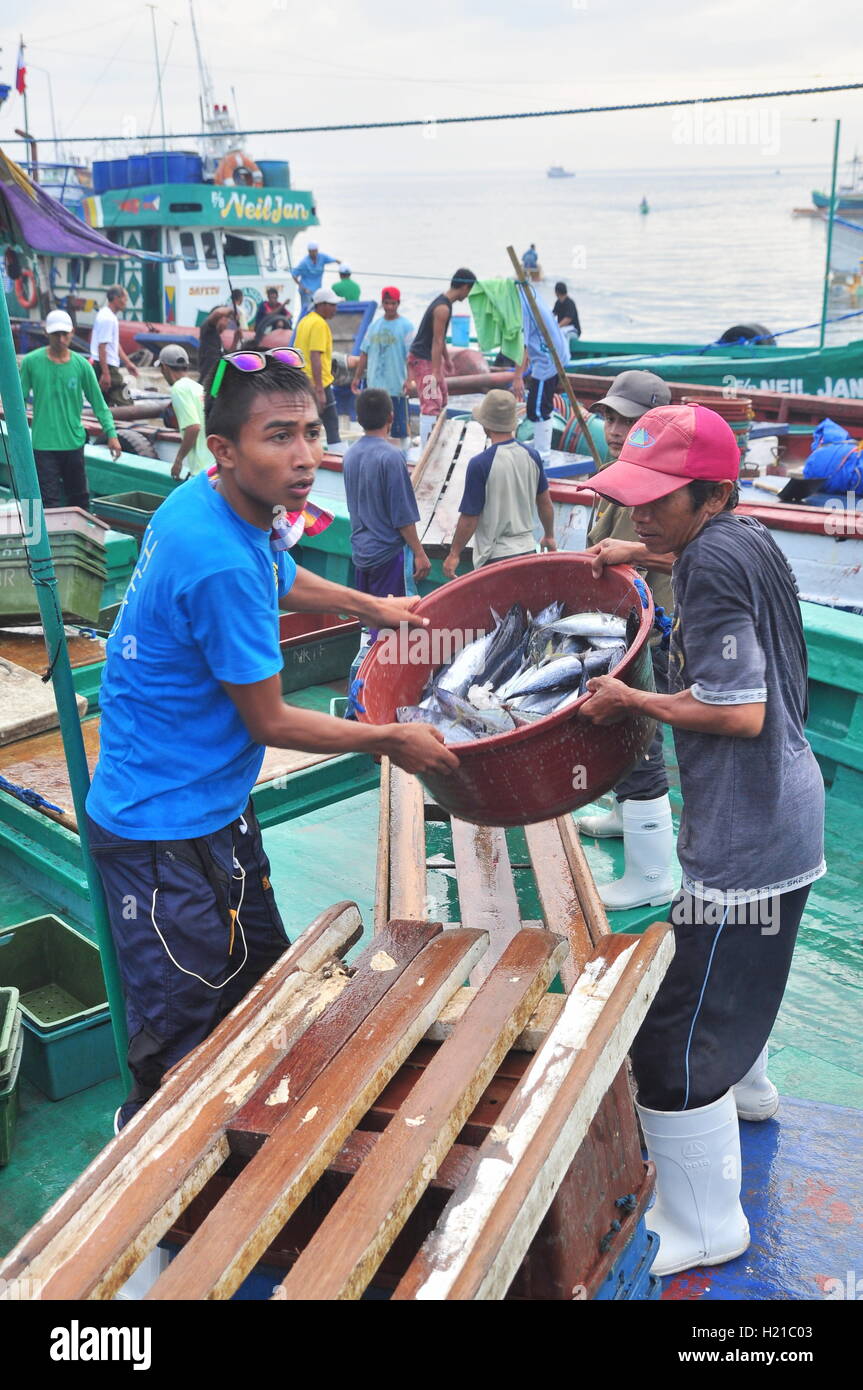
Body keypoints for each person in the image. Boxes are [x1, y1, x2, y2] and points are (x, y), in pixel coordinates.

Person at [85, 352, 458, 1131]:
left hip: (216, 807)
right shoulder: (214, 559)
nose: (303, 456)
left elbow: (279, 572)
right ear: (224, 450)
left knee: (265, 980)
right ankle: (151, 1187)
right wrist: (390, 739)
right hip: (161, 831)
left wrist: (372, 606)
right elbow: (273, 722)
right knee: (181, 1038)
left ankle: (249, 1133)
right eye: (277, 436)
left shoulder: (212, 501)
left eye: (313, 432)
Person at [582, 402, 825, 1277]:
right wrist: (638, 553)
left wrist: (629, 701)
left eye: (657, 501)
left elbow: (736, 709)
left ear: (713, 493)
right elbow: (694, 557)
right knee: (738, 986)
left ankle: (705, 1223)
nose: (640, 510)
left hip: (747, 837)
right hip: (791, 815)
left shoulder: (712, 566)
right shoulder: (742, 536)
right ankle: (752, 1092)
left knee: (673, 1046)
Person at [574, 370, 675, 911]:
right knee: (618, 736)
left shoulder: (664, 485)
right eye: (611, 417)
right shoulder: (621, 473)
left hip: (653, 631)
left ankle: (653, 871)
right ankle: (623, 815)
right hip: (618, 625)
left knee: (641, 740)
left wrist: (632, 553)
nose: (615, 429)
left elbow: (689, 556)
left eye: (629, 420)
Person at [442, 389, 557, 578]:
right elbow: (545, 503)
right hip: (528, 552)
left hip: (495, 558)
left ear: (485, 425)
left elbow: (470, 518)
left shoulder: (480, 464)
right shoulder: (532, 456)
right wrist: (549, 536)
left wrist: (454, 554)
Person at [19, 309, 121, 510]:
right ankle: (53, 542)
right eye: (56, 334)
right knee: (49, 501)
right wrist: (19, 440)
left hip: (73, 443)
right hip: (44, 444)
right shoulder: (31, 363)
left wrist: (112, 434)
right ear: (47, 333)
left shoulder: (82, 366)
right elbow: (19, 402)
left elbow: (99, 404)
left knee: (79, 499)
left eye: (64, 334)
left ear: (72, 333)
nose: (61, 339)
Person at [343, 387, 430, 605]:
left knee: (371, 621)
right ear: (391, 417)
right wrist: (420, 554)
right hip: (388, 557)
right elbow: (402, 518)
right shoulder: (391, 457)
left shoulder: (350, 455)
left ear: (360, 419)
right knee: (393, 624)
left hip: (361, 553)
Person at [408, 268, 477, 451]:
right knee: (430, 404)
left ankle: (436, 442)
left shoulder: (445, 304)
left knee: (442, 398)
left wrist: (447, 359)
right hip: (423, 359)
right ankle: (426, 450)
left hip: (431, 359)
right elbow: (436, 340)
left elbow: (440, 337)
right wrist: (436, 372)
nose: (468, 295)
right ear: (464, 287)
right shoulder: (442, 308)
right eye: (469, 290)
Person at [510, 284, 570, 460]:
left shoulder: (525, 307)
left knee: (538, 407)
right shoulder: (532, 298)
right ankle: (539, 442)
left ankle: (543, 450)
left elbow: (524, 345)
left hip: (547, 362)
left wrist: (517, 377)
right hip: (552, 358)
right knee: (538, 403)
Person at [350, 287, 414, 448]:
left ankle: (402, 456)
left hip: (396, 387)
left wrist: (410, 380)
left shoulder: (406, 326)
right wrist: (357, 377)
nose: (389, 307)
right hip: (375, 388)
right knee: (374, 426)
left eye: (393, 303)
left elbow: (411, 357)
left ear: (398, 303)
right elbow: (364, 352)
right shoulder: (374, 326)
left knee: (399, 427)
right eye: (386, 303)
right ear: (382, 303)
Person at [157, 343, 213, 481]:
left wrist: (178, 460)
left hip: (202, 471)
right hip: (214, 467)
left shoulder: (179, 389)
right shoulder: (198, 388)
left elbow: (193, 427)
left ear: (164, 367)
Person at [293, 286, 340, 445]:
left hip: (303, 382)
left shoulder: (304, 321)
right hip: (319, 384)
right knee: (331, 424)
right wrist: (320, 389)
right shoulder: (319, 324)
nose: (335, 308)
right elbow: (315, 356)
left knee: (308, 425)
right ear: (321, 305)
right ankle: (336, 456)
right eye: (332, 305)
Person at [89, 285, 139, 406]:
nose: (126, 302)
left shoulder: (106, 315)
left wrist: (127, 363)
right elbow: (102, 347)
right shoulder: (108, 319)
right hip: (107, 367)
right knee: (126, 403)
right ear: (117, 299)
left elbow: (114, 344)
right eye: (125, 299)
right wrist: (106, 374)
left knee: (103, 403)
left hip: (103, 365)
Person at [197, 305, 239, 388]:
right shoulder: (208, 330)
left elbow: (228, 356)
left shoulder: (218, 340)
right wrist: (233, 312)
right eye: (226, 318)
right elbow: (218, 312)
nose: (228, 321)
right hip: (208, 382)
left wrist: (236, 340)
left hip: (217, 381)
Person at [292, 241, 338, 311]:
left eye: (315, 251)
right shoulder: (304, 262)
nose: (314, 253)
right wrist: (303, 288)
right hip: (306, 291)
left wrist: (340, 263)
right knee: (307, 310)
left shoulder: (322, 257)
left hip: (317, 290)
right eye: (312, 251)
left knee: (317, 309)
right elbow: (294, 275)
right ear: (309, 252)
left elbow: (333, 260)